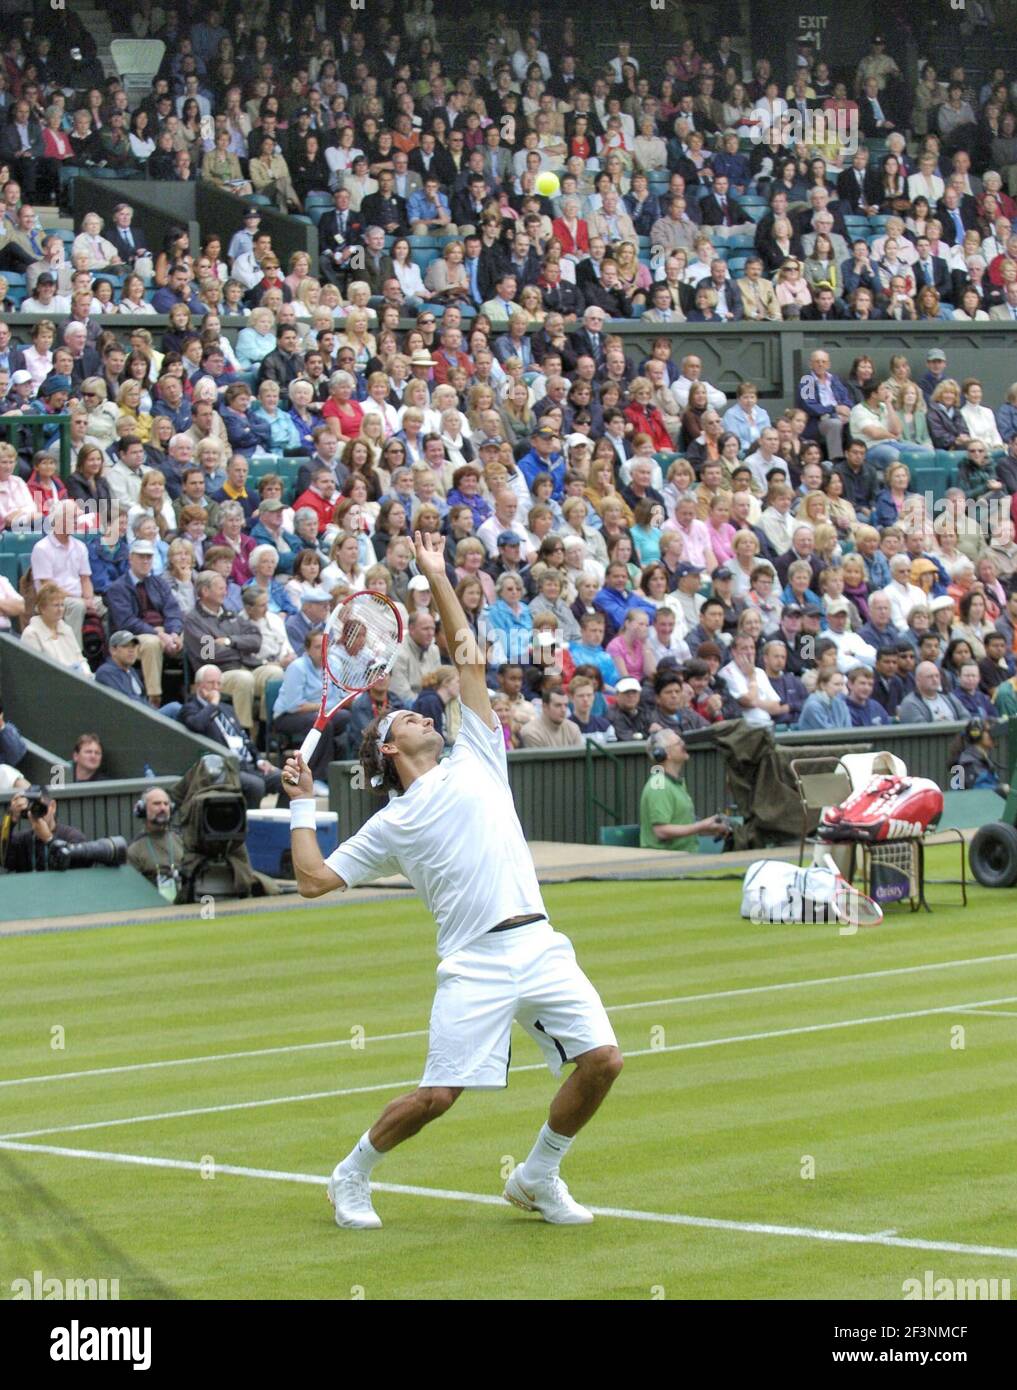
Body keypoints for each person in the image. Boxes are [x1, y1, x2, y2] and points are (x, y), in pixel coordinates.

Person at [280, 529, 622, 1229]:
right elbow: (312, 879)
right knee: (437, 1097)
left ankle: (536, 1175)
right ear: (389, 748)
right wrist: (300, 804)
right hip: (473, 964)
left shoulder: (476, 754)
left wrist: (436, 576)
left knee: (604, 1062)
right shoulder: (392, 823)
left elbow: (467, 656)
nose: (422, 714)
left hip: (540, 943)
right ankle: (350, 1176)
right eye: (407, 716)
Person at [180, 664, 284, 808]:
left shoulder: (227, 709)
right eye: (211, 683)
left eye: (218, 683)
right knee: (256, 785)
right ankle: (250, 826)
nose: (216, 687)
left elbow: (244, 739)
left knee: (288, 779)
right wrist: (213, 704)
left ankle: (281, 823)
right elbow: (197, 725)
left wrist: (260, 761)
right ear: (199, 685)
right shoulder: (190, 708)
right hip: (225, 769)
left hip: (248, 765)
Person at [638, 730, 727, 851]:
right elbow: (661, 831)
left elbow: (683, 825)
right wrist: (702, 825)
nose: (684, 744)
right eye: (679, 743)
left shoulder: (675, 784)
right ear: (665, 753)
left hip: (683, 859)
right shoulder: (659, 785)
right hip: (665, 863)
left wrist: (711, 828)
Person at [0, 786, 86, 873]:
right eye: (32, 808)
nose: (37, 812)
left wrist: (49, 839)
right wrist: (10, 818)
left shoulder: (72, 836)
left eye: (41, 807)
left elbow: (83, 862)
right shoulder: (22, 840)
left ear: (53, 806)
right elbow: (2, 859)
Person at [127, 787, 185, 900]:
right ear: (143, 809)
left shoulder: (182, 840)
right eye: (157, 804)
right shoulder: (135, 850)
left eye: (166, 804)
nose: (162, 808)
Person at [897, 661, 968, 723]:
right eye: (929, 676)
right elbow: (920, 731)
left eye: (937, 676)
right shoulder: (910, 703)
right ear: (918, 680)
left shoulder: (949, 697)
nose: (935, 680)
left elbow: (966, 717)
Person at [519, 685, 584, 749]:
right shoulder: (531, 732)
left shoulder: (573, 728)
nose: (564, 710)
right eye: (558, 705)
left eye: (566, 705)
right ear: (545, 707)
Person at [94, 630, 149, 704]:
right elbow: (125, 701)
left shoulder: (131, 670)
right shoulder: (106, 672)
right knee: (170, 708)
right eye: (125, 646)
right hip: (130, 713)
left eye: (134, 646)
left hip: (146, 712)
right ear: (113, 650)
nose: (131, 650)